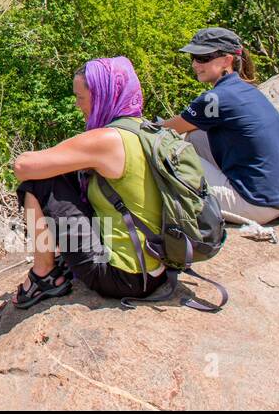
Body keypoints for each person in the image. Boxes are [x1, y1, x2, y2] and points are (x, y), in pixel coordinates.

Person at [9, 56, 168, 309]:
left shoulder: (106, 140)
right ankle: (53, 264)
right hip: (157, 267)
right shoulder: (143, 129)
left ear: (103, 95)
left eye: (80, 97)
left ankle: (44, 275)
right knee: (67, 174)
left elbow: (22, 166)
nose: (77, 105)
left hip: (123, 277)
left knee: (37, 183)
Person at [161, 27, 279, 225]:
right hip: (278, 199)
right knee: (196, 135)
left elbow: (164, 130)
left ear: (227, 60)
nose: (195, 64)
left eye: (203, 57)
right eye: (193, 57)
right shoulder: (245, 89)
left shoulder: (216, 99)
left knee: (166, 151)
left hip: (255, 205)